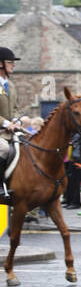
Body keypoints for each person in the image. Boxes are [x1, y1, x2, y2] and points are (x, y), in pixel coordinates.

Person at [0, 46, 19, 202]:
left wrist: (17, 120)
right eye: (9, 62)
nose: (13, 65)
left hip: (11, 131)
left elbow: (16, 109)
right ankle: (1, 185)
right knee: (4, 149)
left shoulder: (11, 86)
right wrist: (5, 122)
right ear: (0, 64)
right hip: (0, 132)